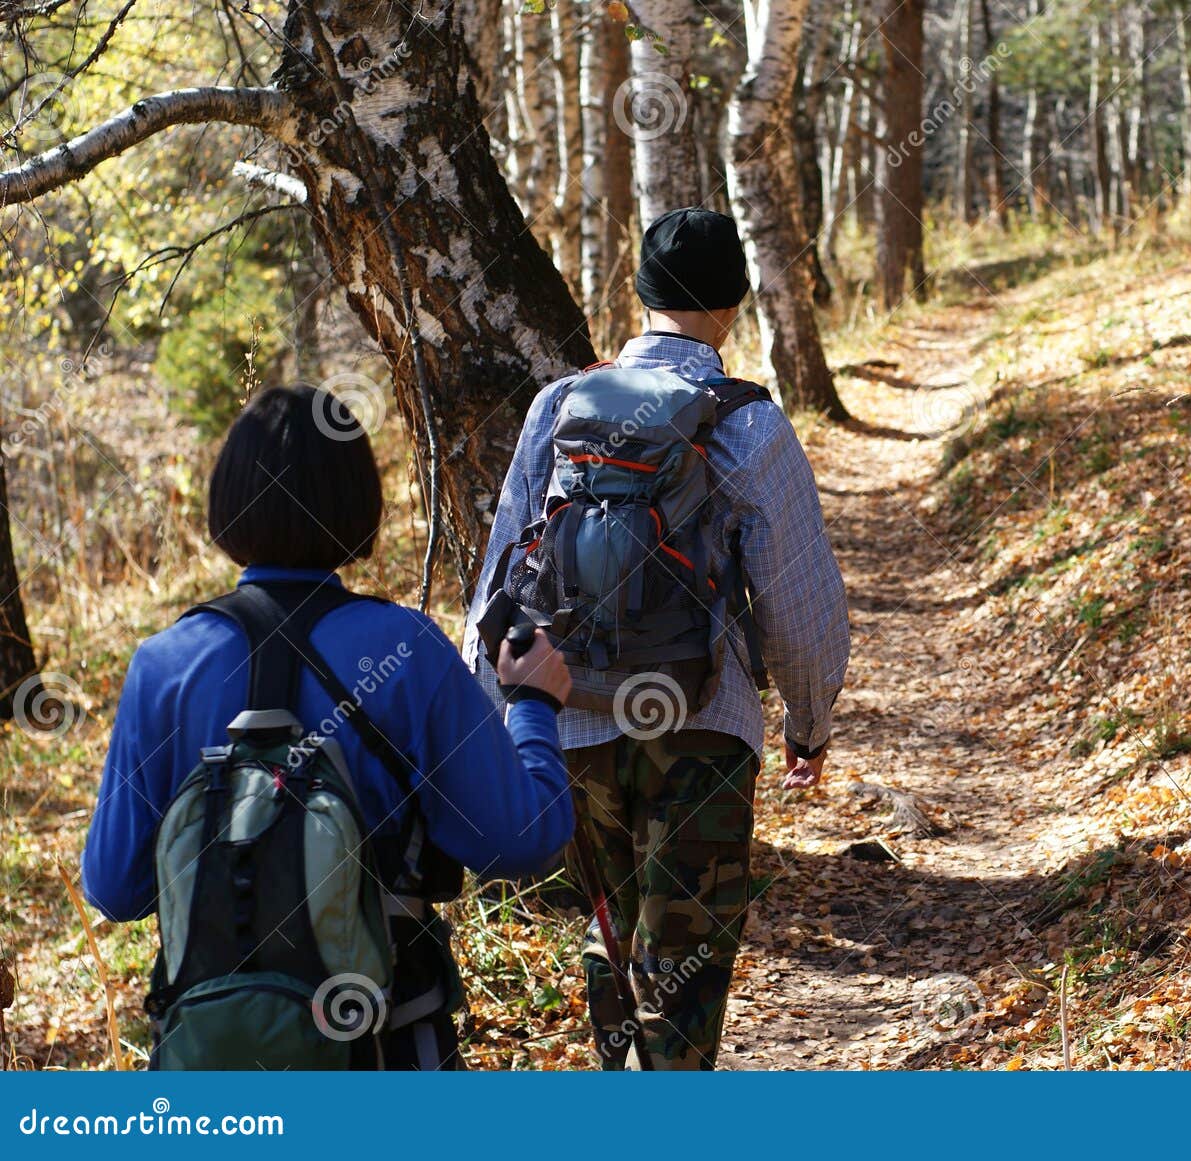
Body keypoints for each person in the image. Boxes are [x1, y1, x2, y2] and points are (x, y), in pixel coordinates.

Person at [83, 384, 575, 1069]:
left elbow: (114, 887)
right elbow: (522, 840)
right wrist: (532, 705)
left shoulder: (164, 664)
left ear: (227, 502)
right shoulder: (404, 648)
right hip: (385, 1047)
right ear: (357, 503)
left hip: (214, 1065)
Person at [465, 207, 850, 1070]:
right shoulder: (748, 423)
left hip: (572, 729)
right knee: (681, 966)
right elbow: (798, 596)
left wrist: (498, 727)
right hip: (702, 731)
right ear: (734, 305)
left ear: (638, 295)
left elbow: (501, 580)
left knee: (610, 947)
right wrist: (808, 724)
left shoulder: (559, 406)